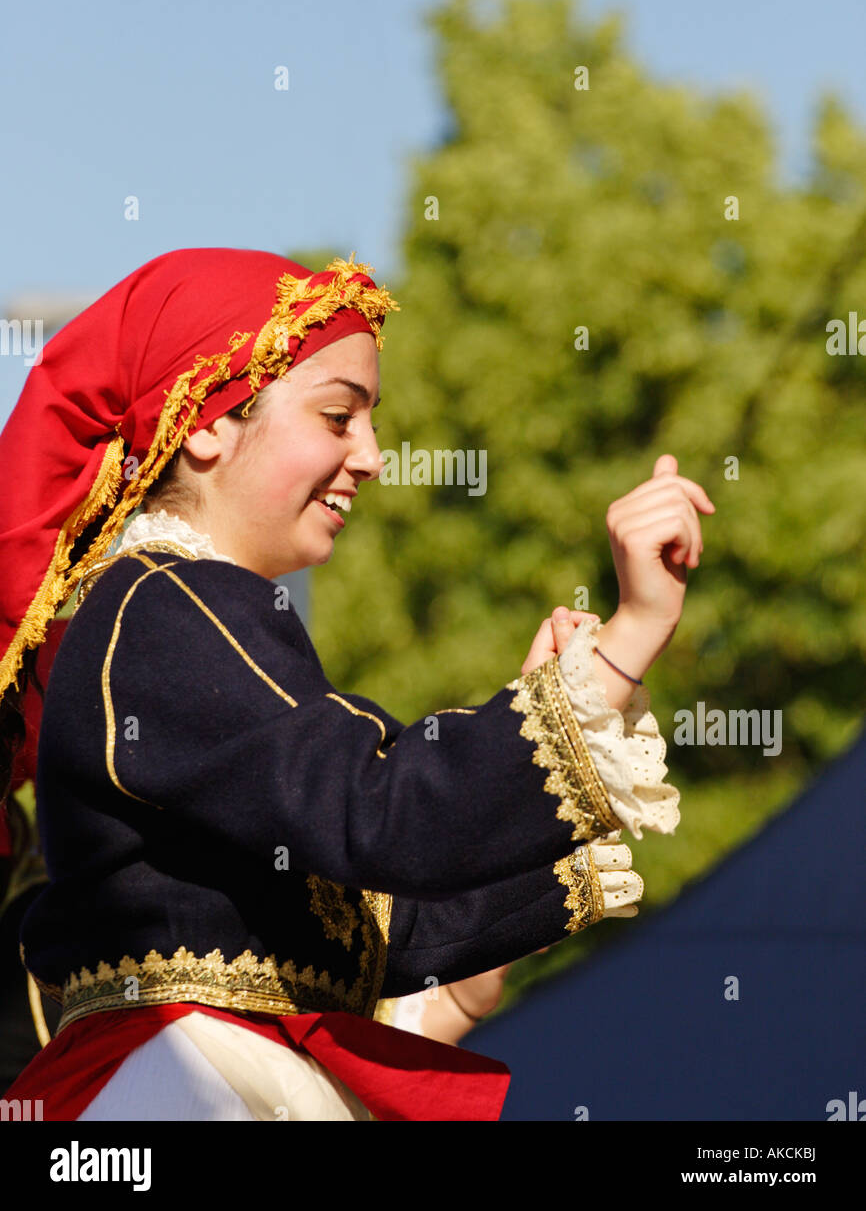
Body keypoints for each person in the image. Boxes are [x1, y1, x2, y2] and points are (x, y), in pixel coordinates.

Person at [0, 247, 712, 1121]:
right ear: (208, 420)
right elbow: (380, 816)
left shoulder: (187, 617)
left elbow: (366, 905)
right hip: (169, 1089)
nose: (372, 456)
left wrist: (533, 725)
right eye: (339, 416)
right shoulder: (162, 601)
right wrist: (624, 640)